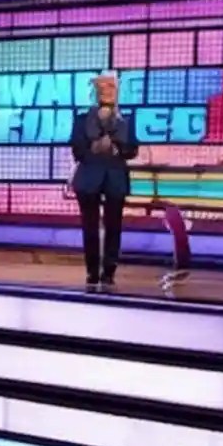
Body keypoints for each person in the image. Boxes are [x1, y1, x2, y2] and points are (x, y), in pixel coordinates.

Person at [69, 72, 140, 289]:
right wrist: (94, 148)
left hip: (115, 178)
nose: (108, 90)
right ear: (96, 91)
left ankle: (109, 272)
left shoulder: (125, 120)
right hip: (89, 178)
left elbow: (132, 150)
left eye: (112, 86)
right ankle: (92, 272)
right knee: (89, 227)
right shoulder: (83, 119)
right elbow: (77, 149)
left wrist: (118, 149)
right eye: (104, 86)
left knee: (114, 227)